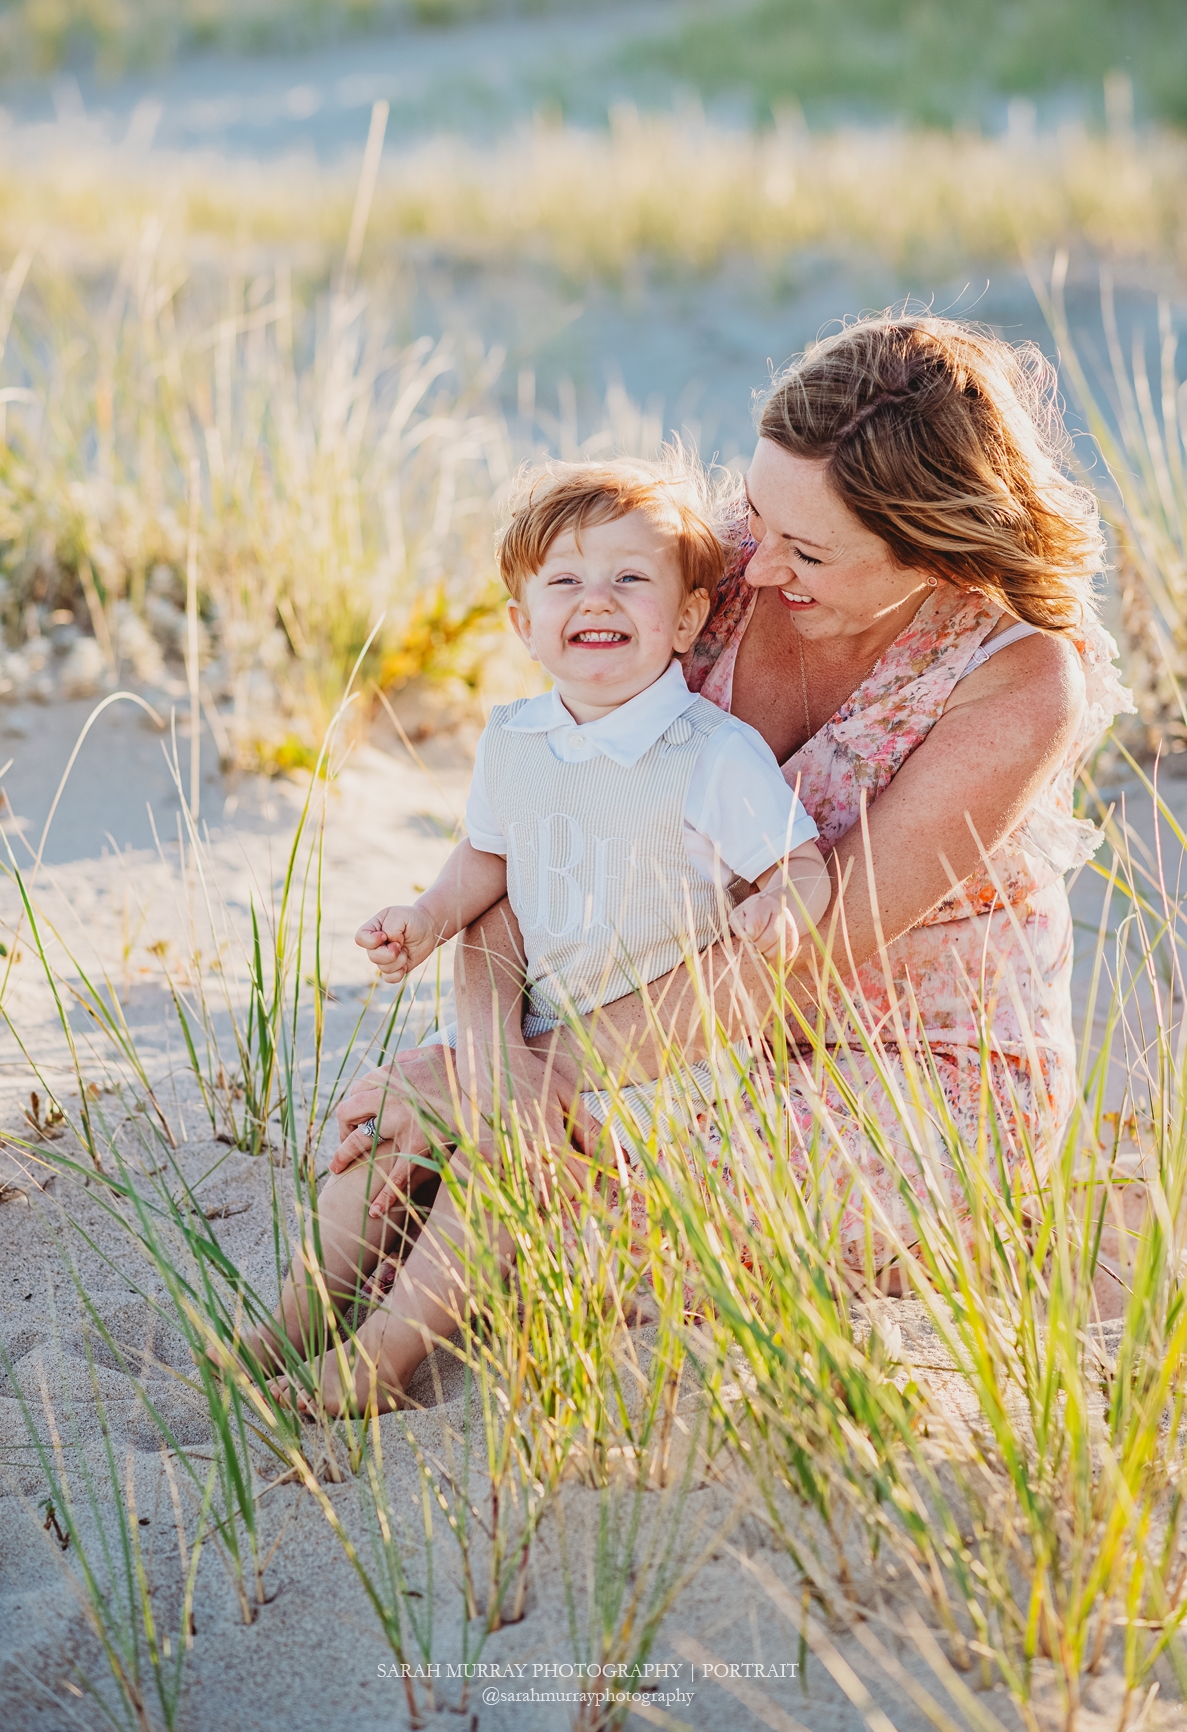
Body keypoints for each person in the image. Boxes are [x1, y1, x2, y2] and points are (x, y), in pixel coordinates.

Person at [334, 313, 1131, 1287]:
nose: (753, 563)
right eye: (757, 511)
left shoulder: (1018, 679)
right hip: (649, 1011)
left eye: (804, 548)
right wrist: (490, 1054)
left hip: (897, 1063)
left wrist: (533, 1077)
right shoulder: (690, 573)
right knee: (374, 1145)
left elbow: (802, 956)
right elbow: (530, 838)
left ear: (935, 554)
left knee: (541, 1216)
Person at [252, 459, 829, 1411]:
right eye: (564, 580)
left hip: (654, 1061)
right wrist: (427, 917)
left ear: (686, 619)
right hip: (530, 1020)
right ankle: (299, 1315)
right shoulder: (512, 739)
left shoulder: (711, 753)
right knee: (382, 1135)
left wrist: (780, 908)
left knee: (498, 1169)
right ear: (523, 623)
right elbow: (489, 862)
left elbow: (798, 862)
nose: (595, 599)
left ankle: (384, 1357)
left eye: (631, 579)